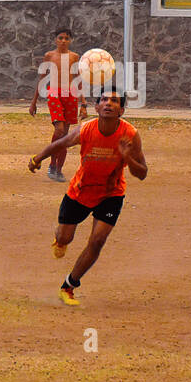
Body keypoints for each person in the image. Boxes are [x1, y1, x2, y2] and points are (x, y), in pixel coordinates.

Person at [28, 88, 147, 306]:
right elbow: (60, 143)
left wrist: (127, 157)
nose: (108, 103)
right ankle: (61, 241)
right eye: (104, 100)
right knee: (65, 237)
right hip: (80, 191)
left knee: (98, 240)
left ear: (121, 110)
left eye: (114, 101)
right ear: (97, 107)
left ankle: (69, 285)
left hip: (111, 194)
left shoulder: (130, 134)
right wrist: (38, 158)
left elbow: (142, 173)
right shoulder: (87, 129)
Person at [28, 28, 86, 182]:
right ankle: (49, 161)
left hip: (70, 94)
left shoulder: (74, 57)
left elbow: (78, 79)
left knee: (65, 135)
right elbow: (42, 78)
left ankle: (57, 169)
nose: (63, 41)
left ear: (70, 40)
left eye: (67, 38)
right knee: (59, 129)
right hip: (53, 92)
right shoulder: (49, 56)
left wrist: (84, 103)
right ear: (55, 40)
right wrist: (34, 102)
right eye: (60, 38)